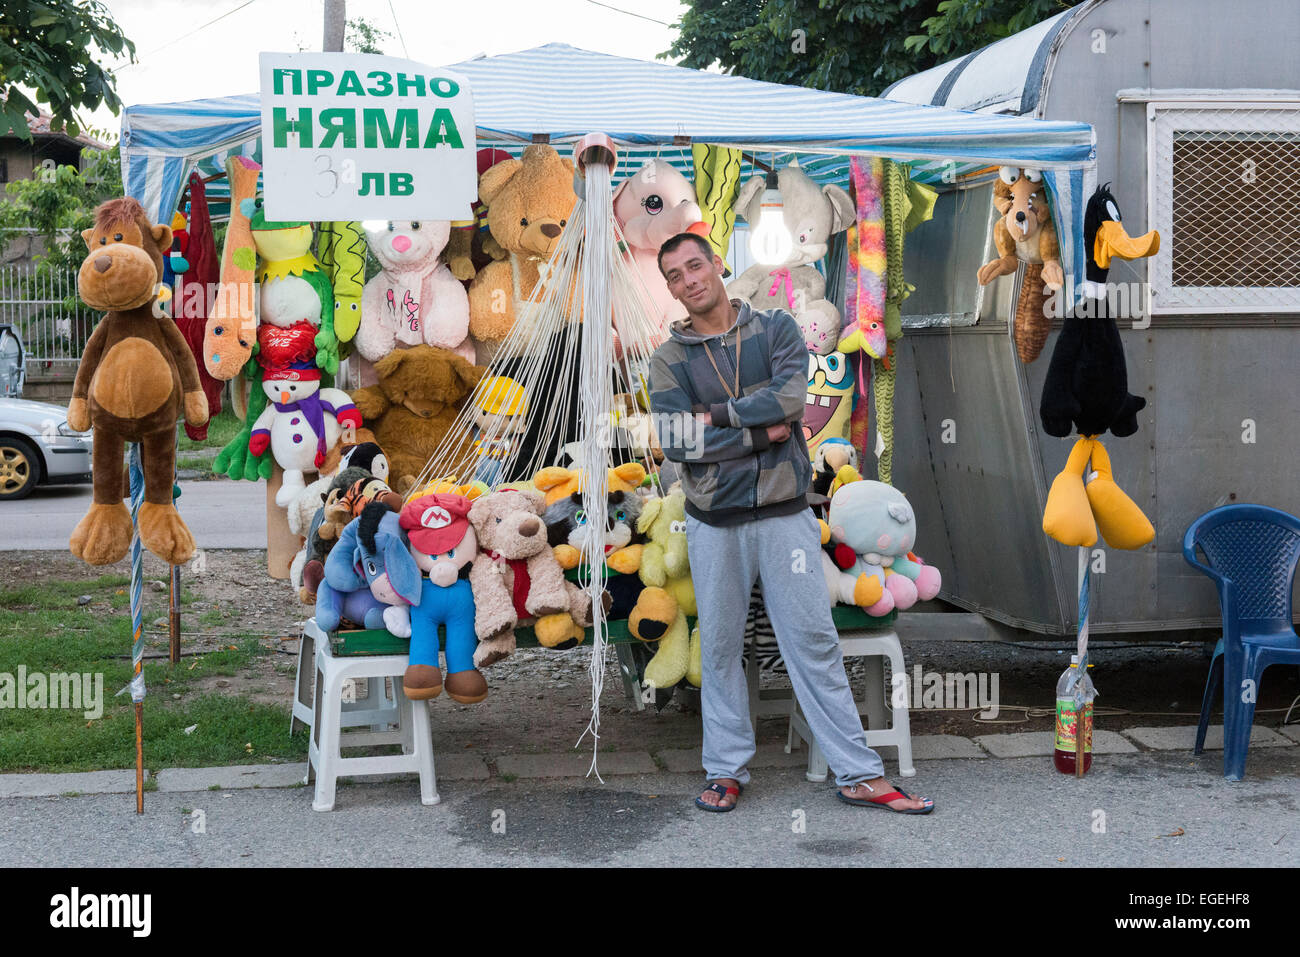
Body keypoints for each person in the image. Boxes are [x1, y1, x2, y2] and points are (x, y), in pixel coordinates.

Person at [647, 232, 933, 815]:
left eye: (695, 265)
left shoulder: (776, 328)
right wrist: (756, 434)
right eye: (675, 275)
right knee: (722, 648)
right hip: (712, 522)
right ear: (672, 289)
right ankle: (725, 770)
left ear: (717, 265)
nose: (689, 280)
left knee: (812, 642)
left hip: (785, 515)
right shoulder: (668, 359)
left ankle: (857, 773)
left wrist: (718, 418)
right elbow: (678, 442)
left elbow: (790, 405)